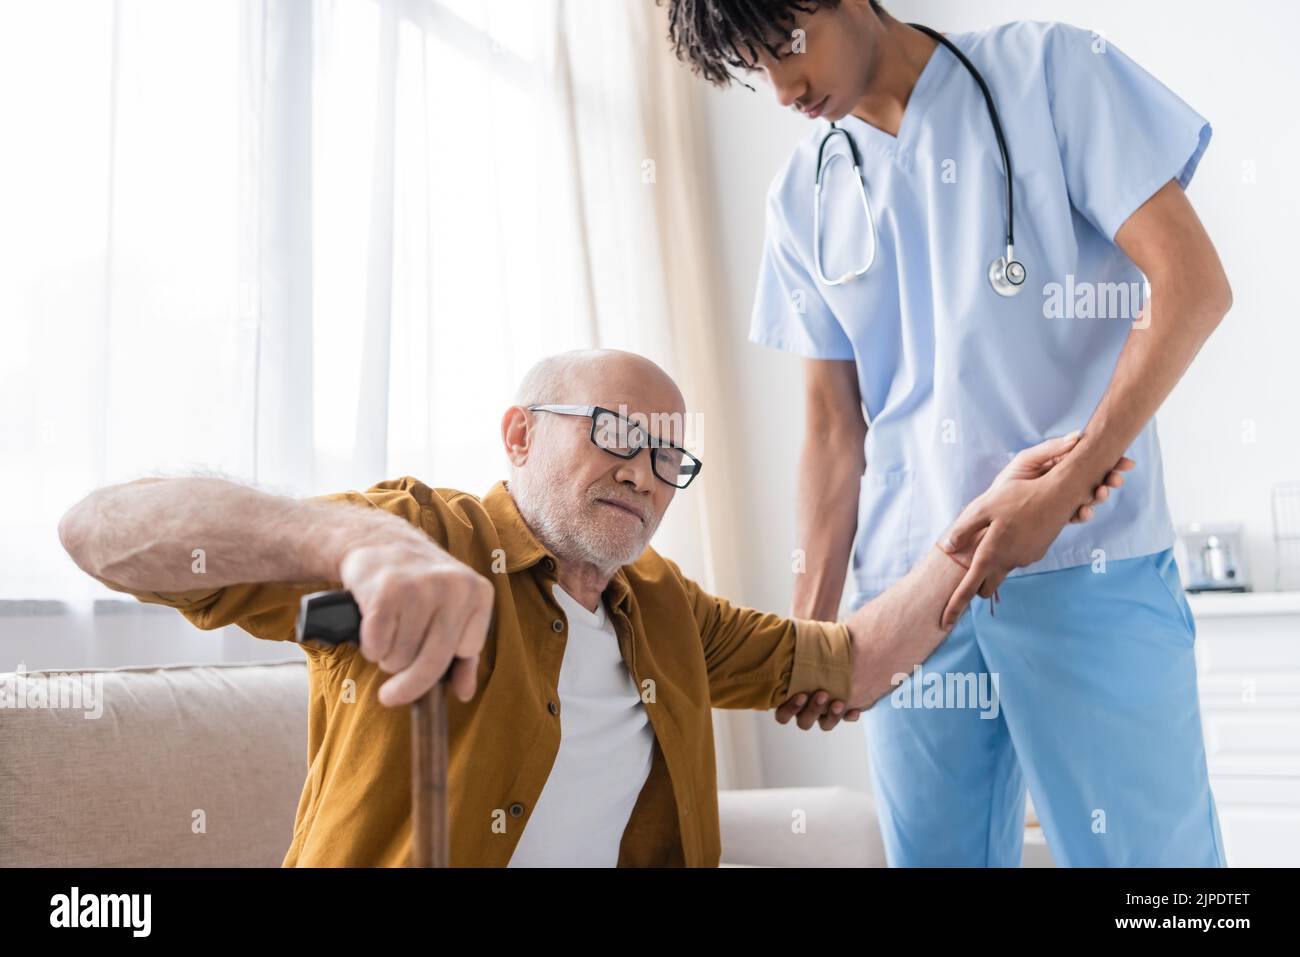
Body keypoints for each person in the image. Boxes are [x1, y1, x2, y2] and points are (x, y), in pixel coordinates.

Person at [59, 349, 1122, 866]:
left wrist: (996, 518)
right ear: (519, 434)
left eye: (669, 455)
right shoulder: (421, 537)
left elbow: (854, 661)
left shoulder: (667, 609)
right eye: (614, 432)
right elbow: (102, 532)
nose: (645, 472)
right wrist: (353, 542)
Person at [662, 1, 1231, 865]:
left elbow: (1191, 284)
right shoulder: (800, 195)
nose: (781, 89)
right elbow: (829, 427)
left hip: (1086, 563)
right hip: (907, 594)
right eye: (754, 67)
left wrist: (1065, 486)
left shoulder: (1051, 73)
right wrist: (810, 636)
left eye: (785, 45)